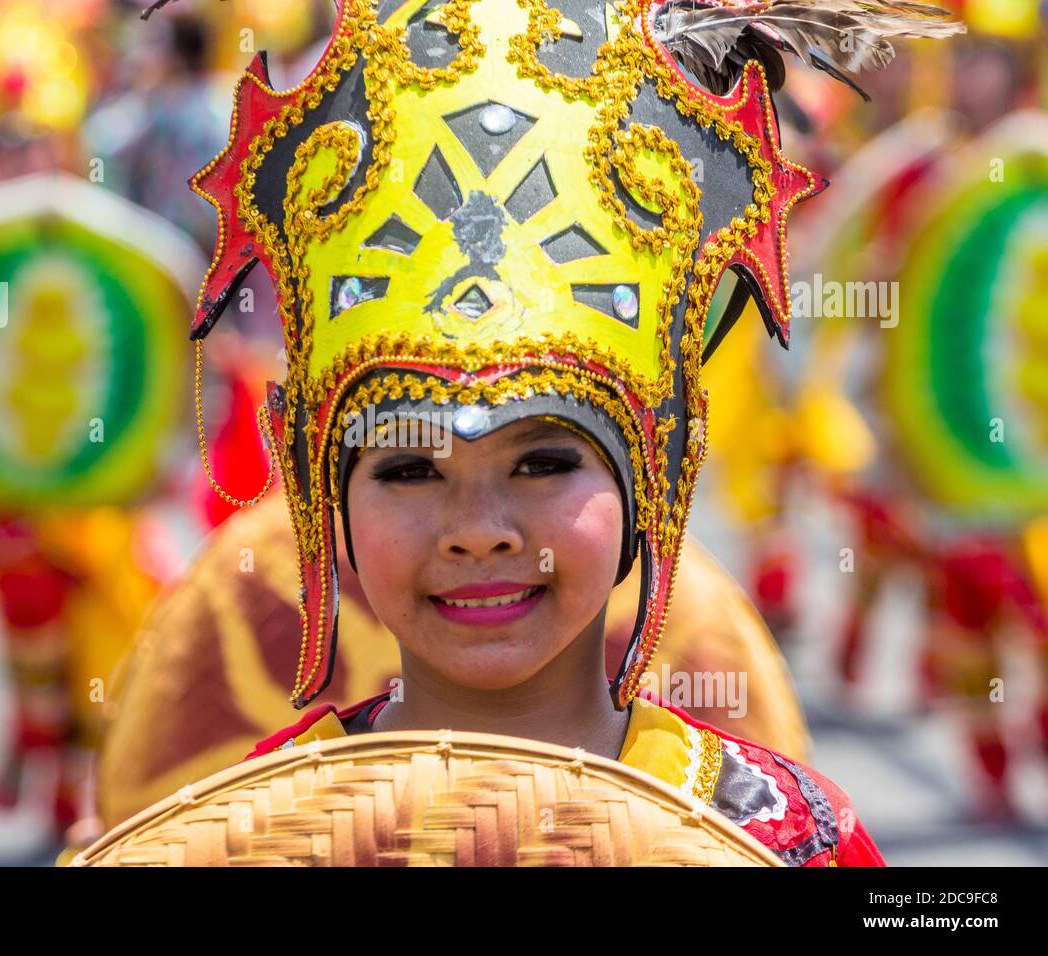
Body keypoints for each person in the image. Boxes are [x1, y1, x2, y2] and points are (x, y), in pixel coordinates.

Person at [90, 0, 962, 866]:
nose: (478, 530)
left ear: (652, 473)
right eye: (407, 469)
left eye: (544, 461)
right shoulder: (246, 837)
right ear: (322, 492)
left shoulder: (785, 841)